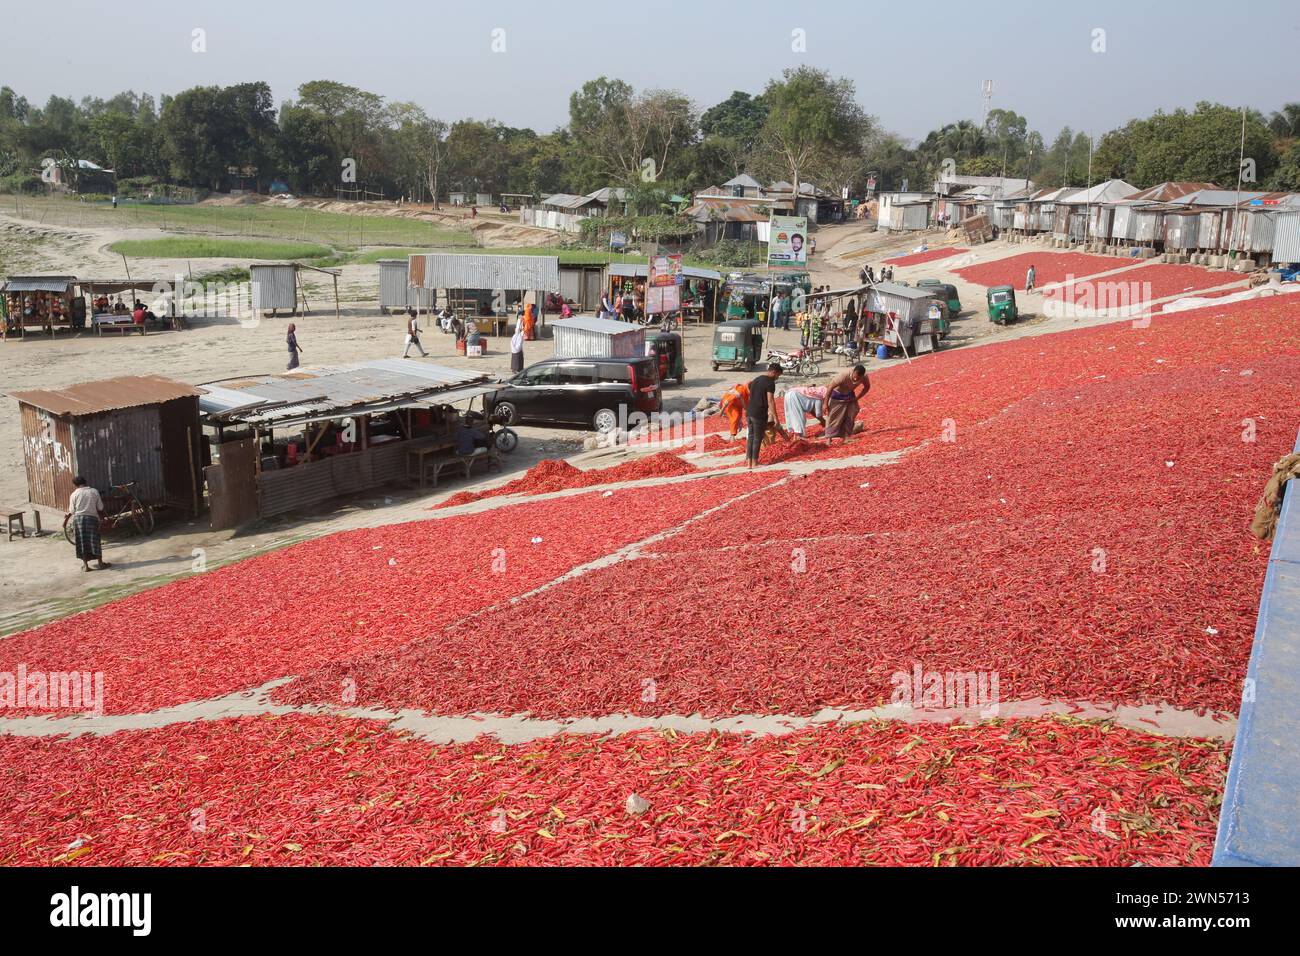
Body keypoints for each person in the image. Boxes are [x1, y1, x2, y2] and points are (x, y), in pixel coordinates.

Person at [63, 476, 111, 571]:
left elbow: (72, 511)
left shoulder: (74, 494)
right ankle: (100, 563)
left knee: (82, 542)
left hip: (78, 520)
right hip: (92, 519)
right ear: (85, 482)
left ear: (75, 485)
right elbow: (100, 507)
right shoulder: (94, 491)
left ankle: (86, 566)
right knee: (95, 541)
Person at [745, 362, 784, 468]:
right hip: (759, 413)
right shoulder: (770, 383)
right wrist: (776, 418)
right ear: (773, 372)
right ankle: (755, 463)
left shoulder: (757, 379)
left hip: (749, 412)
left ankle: (749, 463)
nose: (777, 378)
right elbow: (770, 400)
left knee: (751, 437)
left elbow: (749, 389)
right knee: (757, 438)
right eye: (778, 375)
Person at [824, 365, 870, 444]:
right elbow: (830, 388)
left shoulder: (864, 377)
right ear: (853, 372)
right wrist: (825, 404)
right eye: (855, 377)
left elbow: (867, 387)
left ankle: (846, 436)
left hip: (849, 395)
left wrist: (857, 398)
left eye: (858, 378)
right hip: (837, 395)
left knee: (851, 413)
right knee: (832, 416)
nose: (855, 379)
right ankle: (829, 438)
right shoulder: (843, 375)